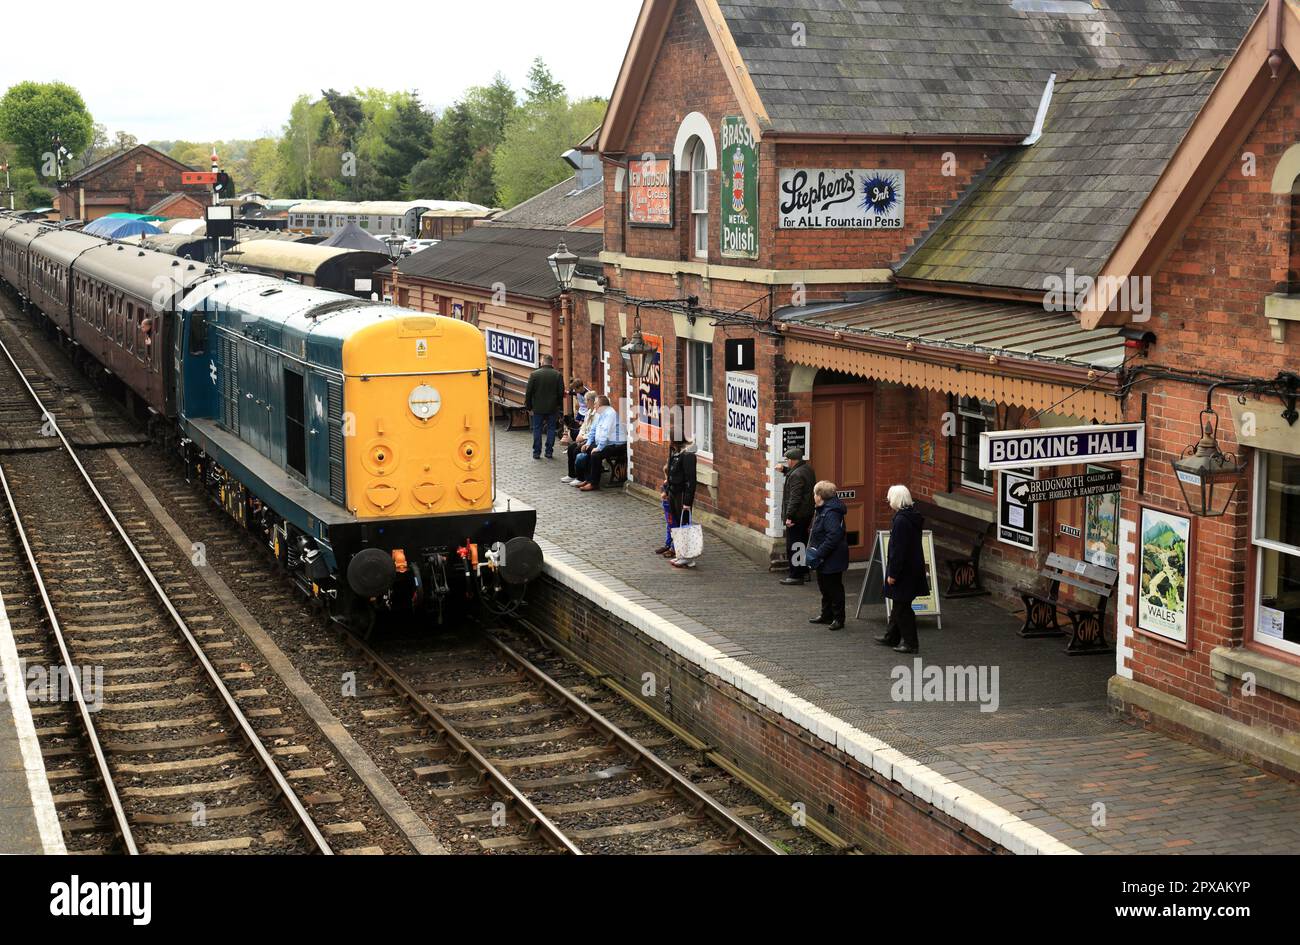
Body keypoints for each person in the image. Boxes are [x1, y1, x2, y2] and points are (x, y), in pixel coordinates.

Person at [876, 484, 927, 654]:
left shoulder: (901, 521)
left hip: (904, 571)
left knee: (902, 607)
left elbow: (899, 551)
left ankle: (911, 643)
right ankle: (892, 636)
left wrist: (893, 574)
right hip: (912, 569)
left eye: (889, 498)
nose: (888, 501)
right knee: (899, 604)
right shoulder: (912, 517)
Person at [805, 480, 849, 631]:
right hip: (825, 557)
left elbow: (834, 536)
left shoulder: (830, 513)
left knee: (834, 588)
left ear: (819, 495)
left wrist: (819, 553)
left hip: (832, 557)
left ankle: (838, 618)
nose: (813, 497)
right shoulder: (823, 509)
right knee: (824, 586)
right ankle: (826, 615)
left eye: (814, 494)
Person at [777, 447, 816, 585]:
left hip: (797, 517)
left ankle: (796, 575)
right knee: (802, 542)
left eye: (787, 460)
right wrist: (784, 471)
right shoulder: (807, 469)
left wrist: (790, 517)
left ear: (793, 460)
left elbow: (795, 498)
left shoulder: (796, 475)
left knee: (794, 545)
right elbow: (797, 477)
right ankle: (804, 571)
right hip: (806, 514)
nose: (786, 462)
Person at [665, 438, 698, 569]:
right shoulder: (675, 453)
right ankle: (681, 554)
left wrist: (687, 502)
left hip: (682, 495)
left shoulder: (688, 455)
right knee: (677, 525)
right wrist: (668, 491)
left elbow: (691, 480)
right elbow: (670, 475)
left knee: (684, 526)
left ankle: (687, 556)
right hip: (674, 493)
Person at [524, 354, 565, 460]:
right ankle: (549, 452)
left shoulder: (534, 375)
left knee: (537, 429)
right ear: (551, 362)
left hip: (537, 408)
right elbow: (561, 393)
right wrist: (559, 406)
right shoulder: (557, 375)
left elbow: (528, 392)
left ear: (542, 362)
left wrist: (528, 406)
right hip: (552, 408)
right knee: (551, 429)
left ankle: (536, 452)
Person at [577, 396, 618, 491]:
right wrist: (588, 443)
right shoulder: (600, 414)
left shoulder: (610, 414)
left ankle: (594, 483)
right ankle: (588, 479)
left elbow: (605, 433)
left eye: (595, 403)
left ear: (600, 405)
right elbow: (593, 430)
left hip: (615, 445)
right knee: (587, 449)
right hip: (605, 443)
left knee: (596, 455)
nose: (594, 405)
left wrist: (599, 448)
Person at [561, 391, 599, 484]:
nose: (585, 403)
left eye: (586, 400)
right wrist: (580, 434)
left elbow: (594, 430)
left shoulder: (597, 414)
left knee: (577, 450)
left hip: (591, 439)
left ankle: (580, 477)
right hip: (585, 438)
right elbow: (584, 426)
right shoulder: (588, 412)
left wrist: (584, 437)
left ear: (591, 401)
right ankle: (571, 474)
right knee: (570, 448)